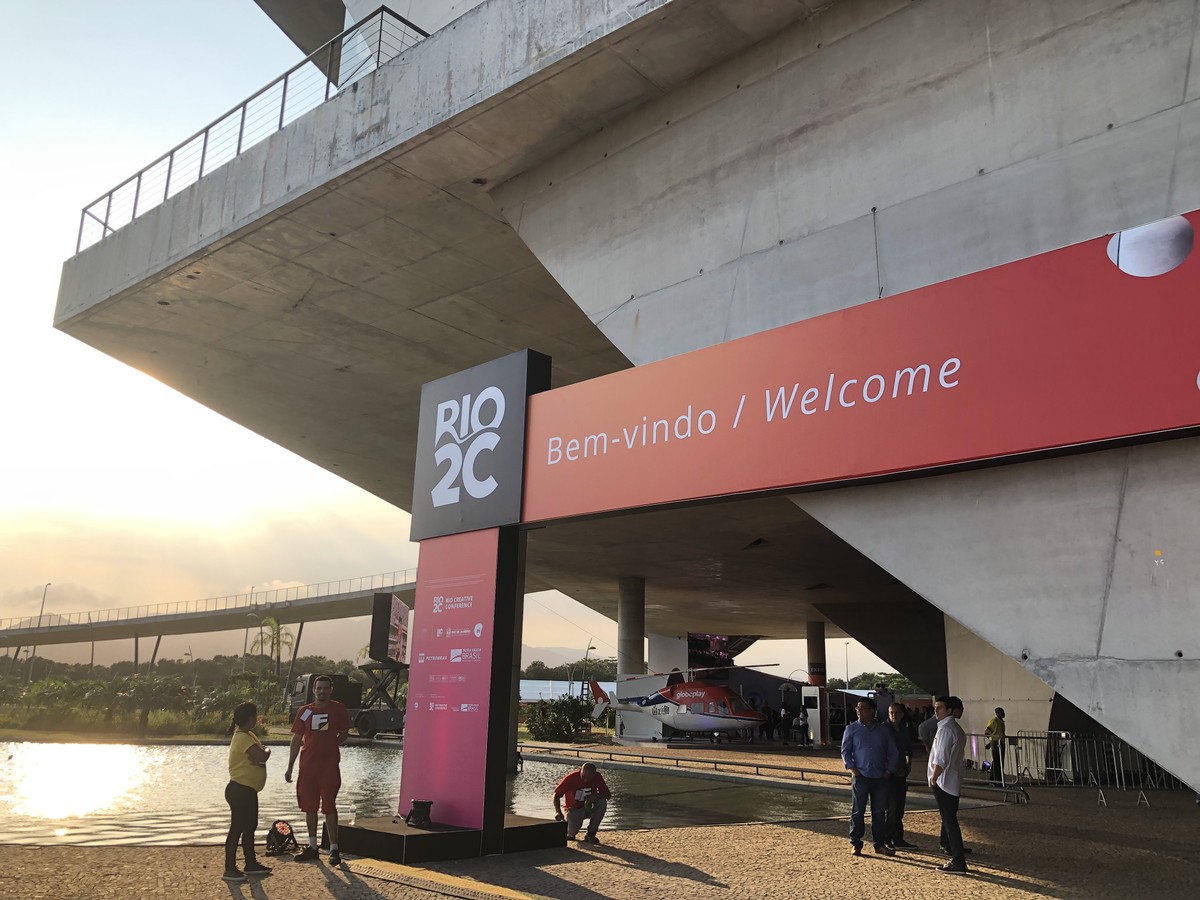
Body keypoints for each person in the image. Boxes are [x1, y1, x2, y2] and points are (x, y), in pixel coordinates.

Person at [285, 674, 351, 865]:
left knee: (329, 805)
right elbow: (296, 738)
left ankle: (333, 848)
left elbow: (344, 733)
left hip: (329, 767)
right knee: (309, 806)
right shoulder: (305, 712)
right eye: (318, 688)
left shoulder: (338, 709)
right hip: (308, 767)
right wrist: (290, 766)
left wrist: (331, 745)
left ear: (331, 689)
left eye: (325, 688)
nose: (322, 691)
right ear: (313, 690)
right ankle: (312, 846)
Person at [840, 698, 901, 856]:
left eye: (863, 708)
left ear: (872, 710)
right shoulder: (851, 729)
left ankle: (879, 844)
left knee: (879, 812)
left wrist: (889, 770)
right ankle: (856, 843)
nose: (859, 711)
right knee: (858, 811)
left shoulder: (883, 730)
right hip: (860, 776)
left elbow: (894, 752)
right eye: (858, 708)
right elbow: (845, 751)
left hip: (880, 777)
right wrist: (852, 768)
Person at [223, 701, 272, 883]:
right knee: (237, 828)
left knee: (250, 826)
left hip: (247, 790)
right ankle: (229, 868)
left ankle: (250, 863)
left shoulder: (247, 735)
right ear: (251, 718)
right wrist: (265, 750)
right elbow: (262, 755)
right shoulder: (243, 737)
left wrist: (262, 751)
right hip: (240, 790)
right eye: (256, 716)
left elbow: (259, 754)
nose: (257, 719)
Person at [929, 695, 969, 874]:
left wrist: (933, 777)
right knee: (949, 818)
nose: (936, 711)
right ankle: (952, 850)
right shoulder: (955, 728)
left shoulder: (946, 729)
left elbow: (941, 757)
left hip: (943, 781)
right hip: (951, 780)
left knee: (949, 821)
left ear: (949, 711)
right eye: (935, 708)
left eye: (940, 708)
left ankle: (958, 860)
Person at [553, 762, 612, 845]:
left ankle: (591, 834)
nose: (586, 780)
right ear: (581, 771)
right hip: (574, 808)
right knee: (572, 832)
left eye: (589, 778)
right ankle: (570, 832)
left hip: (590, 807)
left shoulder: (597, 777)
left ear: (594, 775)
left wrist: (596, 796)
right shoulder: (571, 778)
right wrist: (558, 812)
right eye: (584, 777)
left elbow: (608, 795)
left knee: (602, 802)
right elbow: (556, 795)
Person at [885, 702, 917, 850]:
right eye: (891, 712)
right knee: (891, 808)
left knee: (899, 808)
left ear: (902, 715)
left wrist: (908, 764)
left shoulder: (904, 730)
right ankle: (887, 838)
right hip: (888, 773)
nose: (894, 715)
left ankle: (898, 838)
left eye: (896, 713)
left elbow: (908, 750)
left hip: (901, 772)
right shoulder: (883, 729)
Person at [984, 707, 1006, 784]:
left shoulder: (1001, 722)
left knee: (998, 762)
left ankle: (993, 779)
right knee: (998, 762)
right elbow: (987, 733)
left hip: (1000, 743)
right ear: (997, 713)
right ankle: (997, 781)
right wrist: (991, 742)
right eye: (1001, 712)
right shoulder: (994, 721)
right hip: (996, 744)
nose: (1004, 714)